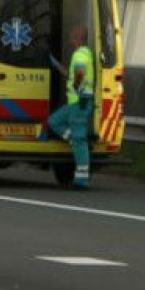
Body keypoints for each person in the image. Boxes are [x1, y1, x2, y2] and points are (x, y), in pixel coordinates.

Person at [46, 26, 94, 189]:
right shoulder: (85, 54)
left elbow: (78, 74)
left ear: (77, 38)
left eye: (71, 36)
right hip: (76, 103)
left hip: (79, 102)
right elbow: (71, 74)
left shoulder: (79, 55)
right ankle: (72, 138)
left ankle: (81, 180)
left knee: (80, 140)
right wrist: (56, 65)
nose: (69, 40)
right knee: (54, 121)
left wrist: (76, 86)